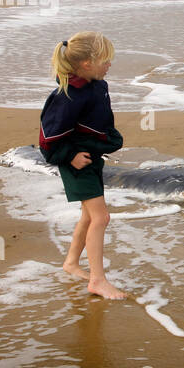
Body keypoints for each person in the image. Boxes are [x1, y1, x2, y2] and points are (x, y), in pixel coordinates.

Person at [39, 32, 127, 299]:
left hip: (91, 158)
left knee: (89, 216)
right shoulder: (68, 96)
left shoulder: (96, 85)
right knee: (101, 217)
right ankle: (97, 280)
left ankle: (71, 263)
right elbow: (47, 140)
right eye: (105, 60)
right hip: (76, 163)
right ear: (87, 63)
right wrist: (70, 157)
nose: (109, 65)